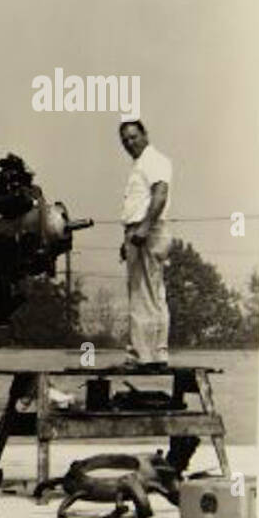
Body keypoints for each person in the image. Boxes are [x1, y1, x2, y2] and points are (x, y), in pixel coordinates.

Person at [118, 119, 171, 369]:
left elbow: (160, 194)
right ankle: (158, 353)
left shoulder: (154, 160)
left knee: (142, 293)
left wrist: (145, 227)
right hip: (140, 230)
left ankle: (142, 355)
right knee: (154, 292)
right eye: (125, 140)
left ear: (145, 134)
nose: (130, 143)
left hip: (147, 229)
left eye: (133, 137)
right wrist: (127, 238)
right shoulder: (141, 163)